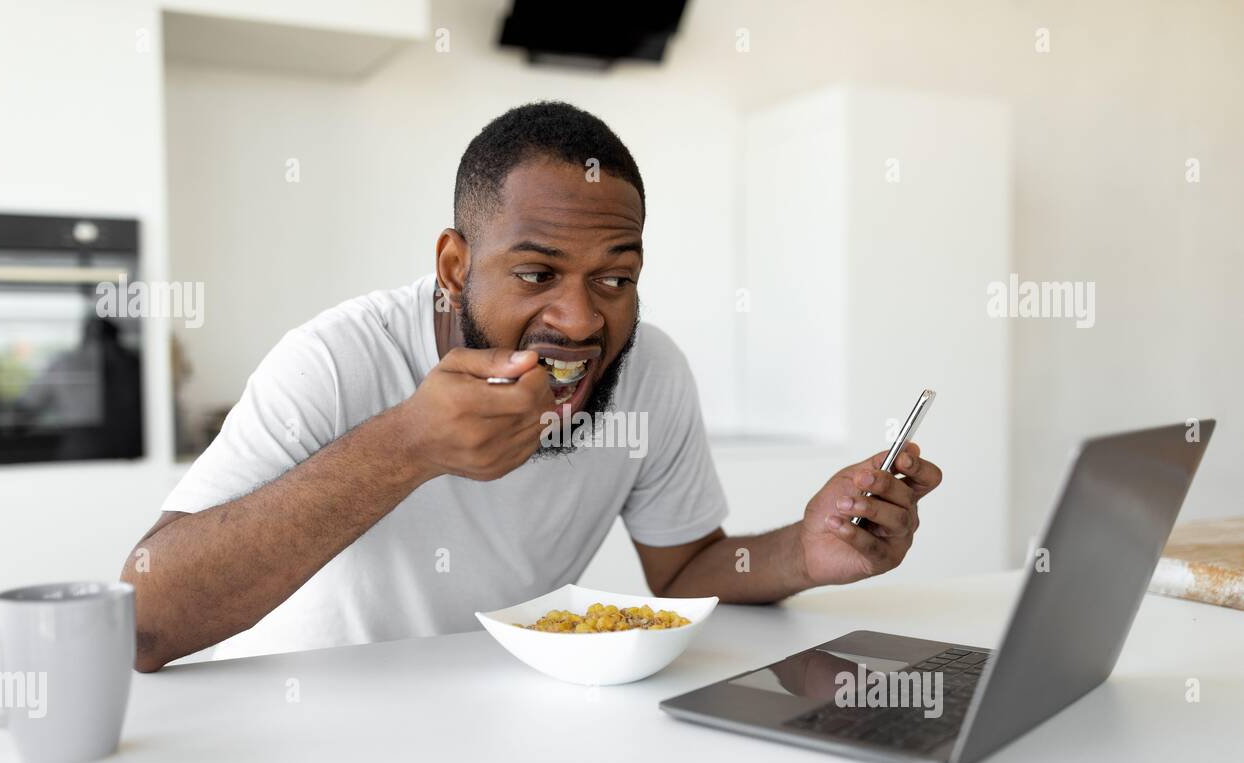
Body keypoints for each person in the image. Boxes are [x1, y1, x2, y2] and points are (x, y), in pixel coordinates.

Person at [124, 101, 942, 672]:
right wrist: (406, 444)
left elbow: (687, 569)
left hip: (518, 722)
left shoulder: (649, 372)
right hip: (313, 733)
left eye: (614, 279)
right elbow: (142, 622)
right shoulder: (338, 360)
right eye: (537, 272)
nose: (582, 320)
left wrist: (803, 549)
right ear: (455, 266)